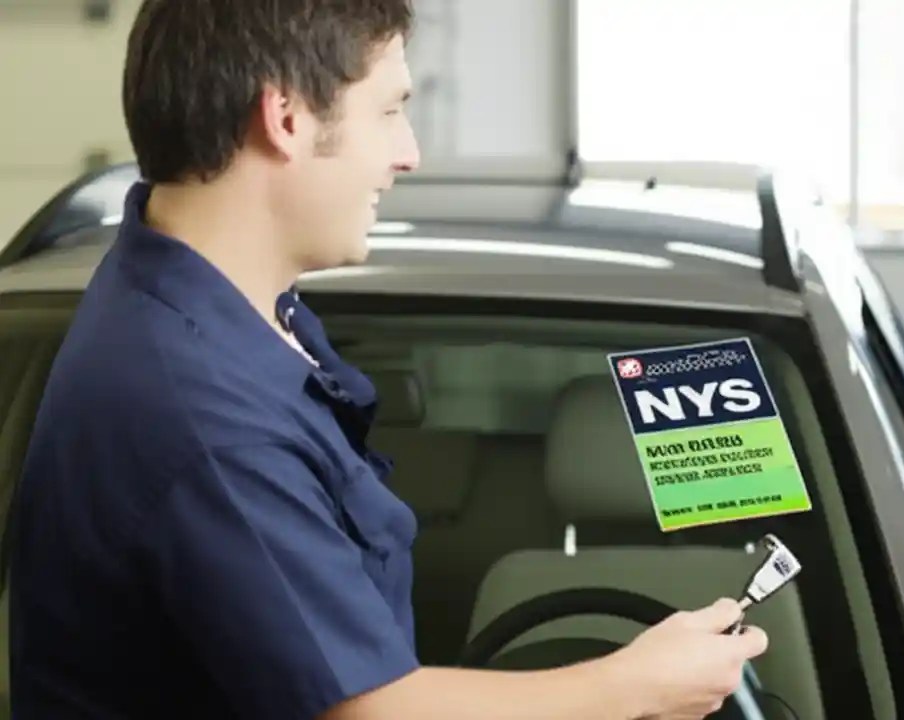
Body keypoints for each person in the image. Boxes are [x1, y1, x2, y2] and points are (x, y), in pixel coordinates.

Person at [6, 2, 768, 719]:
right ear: (287, 118)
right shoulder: (200, 414)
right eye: (391, 109)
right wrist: (632, 685)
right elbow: (369, 710)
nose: (409, 154)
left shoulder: (229, 308)